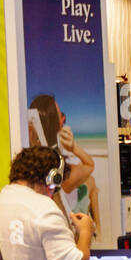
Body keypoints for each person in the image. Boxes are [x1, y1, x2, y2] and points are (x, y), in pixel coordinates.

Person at [28, 94, 100, 237]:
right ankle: (99, 231)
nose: (63, 120)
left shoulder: (28, 161)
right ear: (55, 123)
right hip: (63, 232)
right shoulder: (55, 168)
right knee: (92, 184)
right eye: (60, 116)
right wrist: (73, 147)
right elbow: (89, 165)